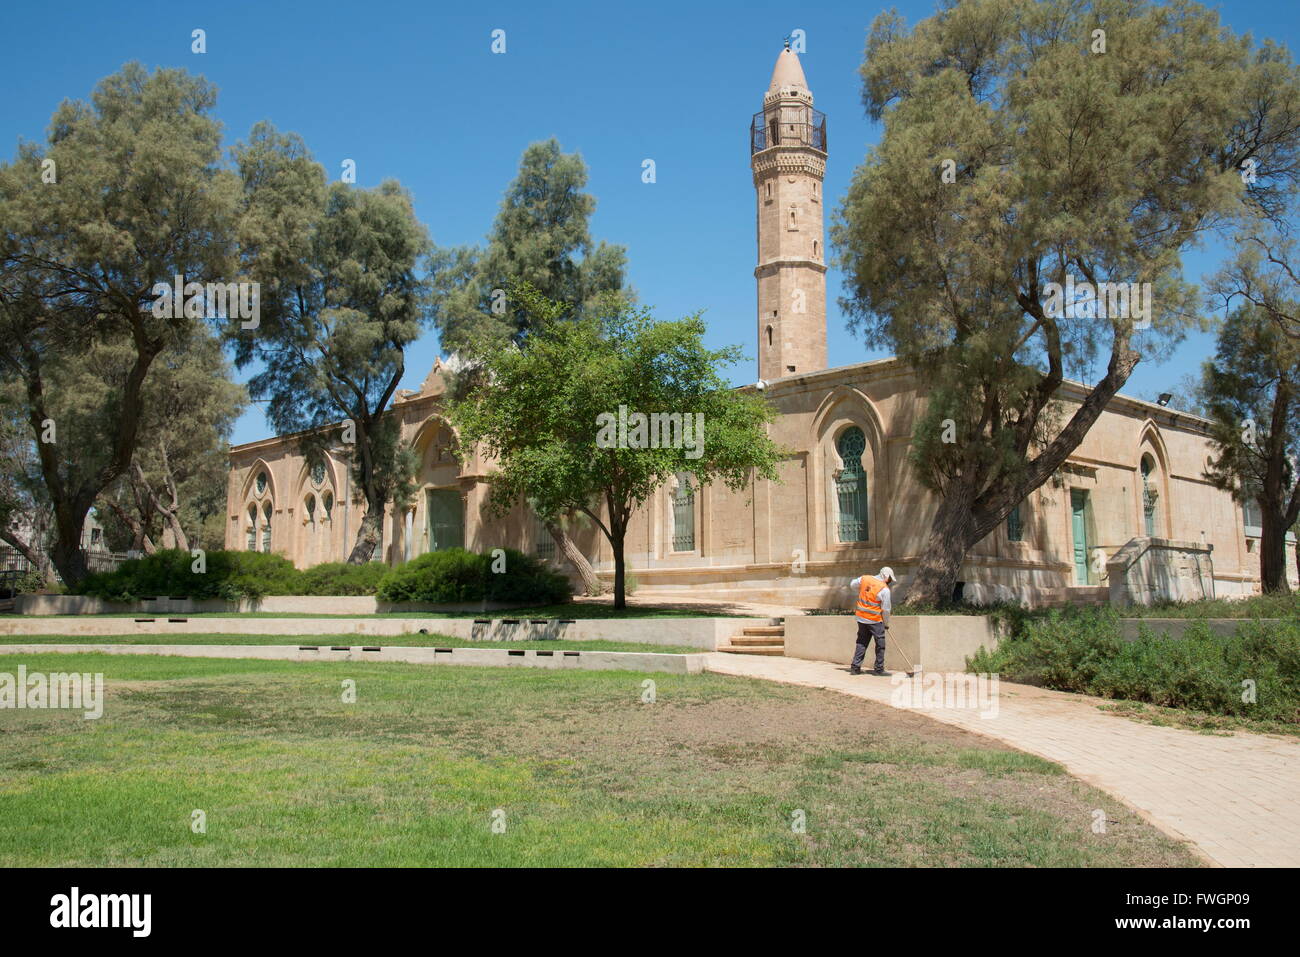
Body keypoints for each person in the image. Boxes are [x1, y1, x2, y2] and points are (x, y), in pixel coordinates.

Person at [849, 567, 895, 676]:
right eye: (890, 579)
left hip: (861, 618)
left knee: (861, 642)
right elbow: (886, 609)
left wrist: (862, 590)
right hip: (875, 620)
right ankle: (879, 669)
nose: (890, 582)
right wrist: (886, 624)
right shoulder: (884, 589)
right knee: (880, 644)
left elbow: (852, 584)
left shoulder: (864, 579)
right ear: (886, 576)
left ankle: (855, 667)